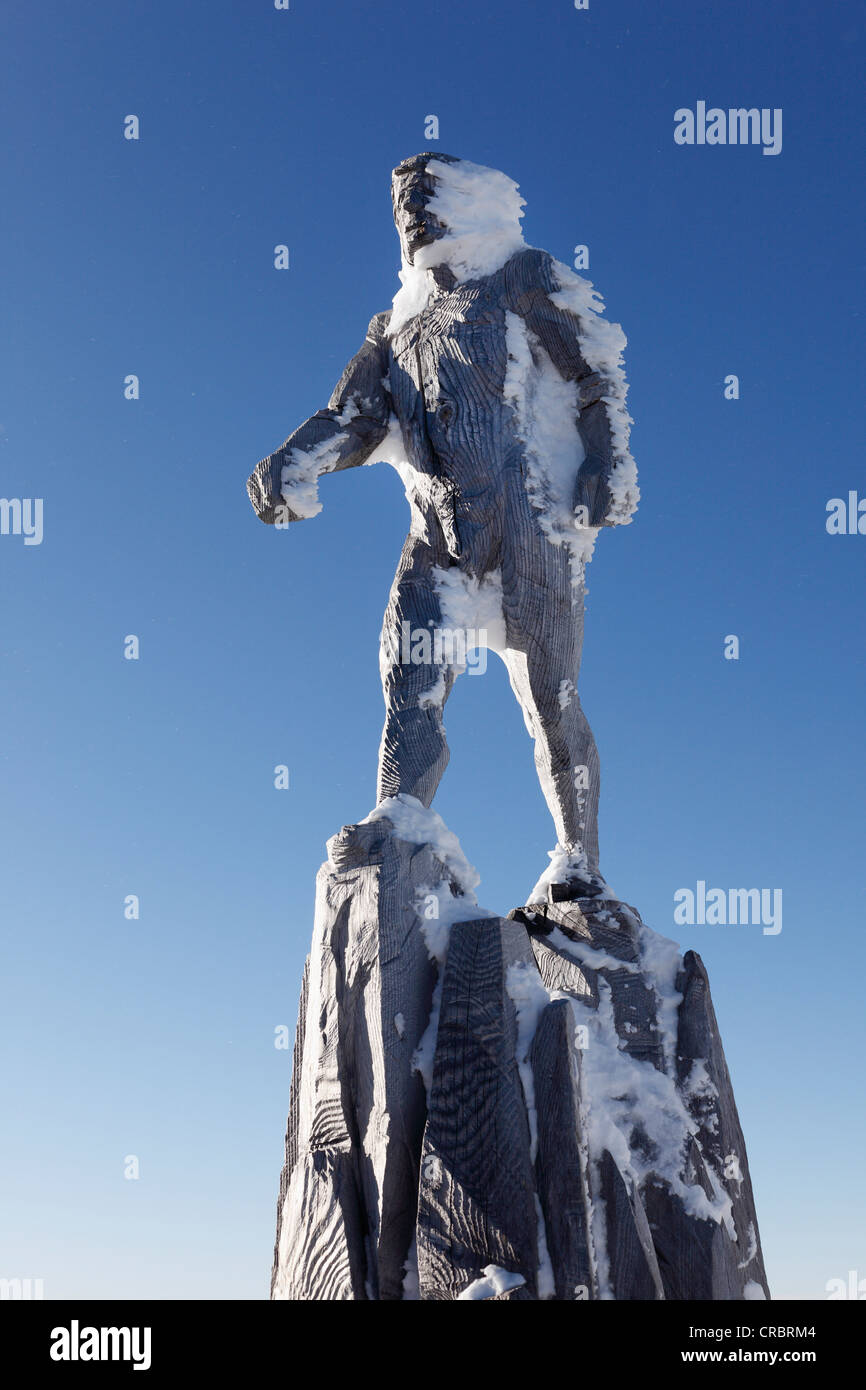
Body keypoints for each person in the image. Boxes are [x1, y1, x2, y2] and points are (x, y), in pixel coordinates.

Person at [247, 153, 638, 897]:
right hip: (439, 530)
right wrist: (295, 460)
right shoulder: (393, 328)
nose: (414, 217)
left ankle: (578, 862)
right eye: (403, 208)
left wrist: (606, 461)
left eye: (428, 199)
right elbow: (357, 419)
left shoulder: (523, 277)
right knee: (410, 686)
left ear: (472, 203)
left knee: (550, 699)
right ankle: (400, 818)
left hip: (529, 526)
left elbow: (595, 374)